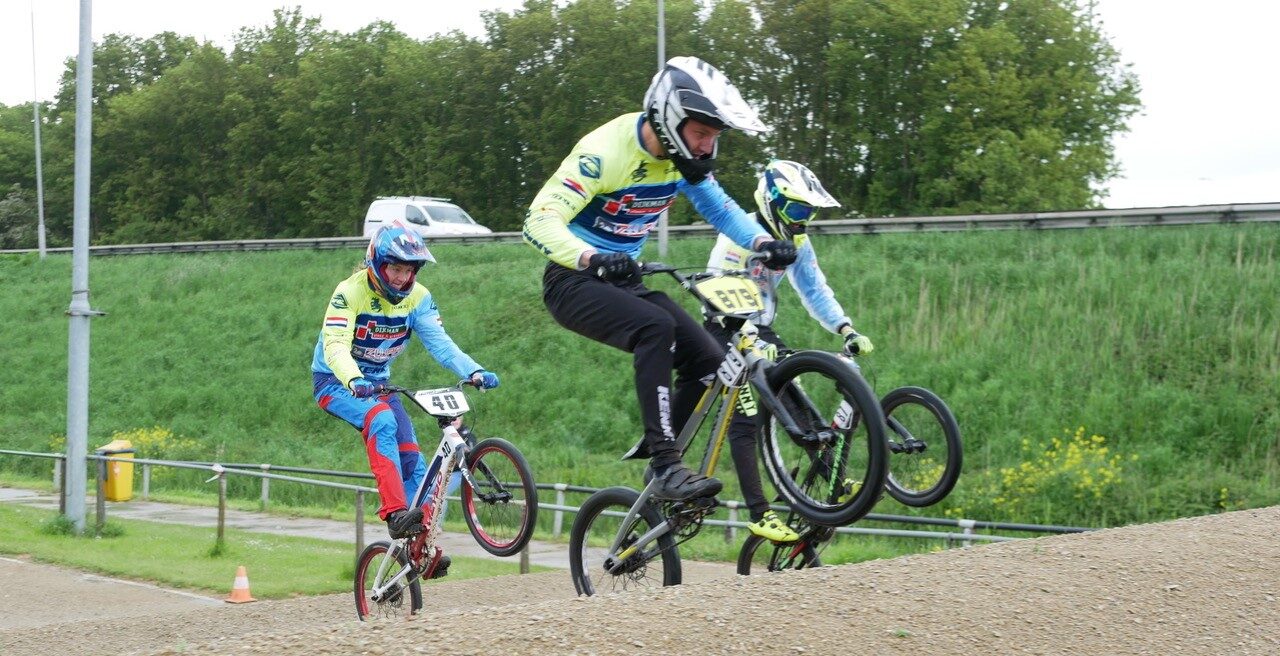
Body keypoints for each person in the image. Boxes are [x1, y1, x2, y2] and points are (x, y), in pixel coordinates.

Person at [522, 56, 798, 501]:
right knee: (657, 327)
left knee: (709, 360)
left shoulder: (678, 159)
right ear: (670, 118)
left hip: (623, 279)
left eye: (714, 137)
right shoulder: (604, 153)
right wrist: (592, 257)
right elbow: (539, 220)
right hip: (573, 279)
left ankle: (662, 472)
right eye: (701, 134)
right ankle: (667, 465)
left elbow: (721, 209)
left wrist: (763, 244)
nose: (708, 147)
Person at [311, 221, 500, 574]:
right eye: (395, 268)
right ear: (377, 264)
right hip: (336, 383)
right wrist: (353, 378)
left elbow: (441, 344)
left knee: (414, 459)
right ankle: (396, 514)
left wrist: (473, 371)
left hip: (379, 385)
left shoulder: (419, 298)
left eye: (408, 270)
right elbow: (335, 344)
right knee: (380, 420)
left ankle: (421, 549)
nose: (401, 278)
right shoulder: (348, 293)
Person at [703, 159, 875, 542]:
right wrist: (748, 337)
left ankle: (828, 466)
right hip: (725, 324)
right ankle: (759, 512)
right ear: (772, 201)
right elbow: (720, 286)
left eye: (809, 212)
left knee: (792, 391)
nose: (803, 220)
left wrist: (845, 327)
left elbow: (814, 290)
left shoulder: (796, 241)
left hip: (761, 327)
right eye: (797, 210)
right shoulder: (740, 231)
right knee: (746, 412)